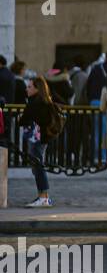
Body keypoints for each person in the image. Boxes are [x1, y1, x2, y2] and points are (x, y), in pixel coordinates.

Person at [18, 75, 60, 207]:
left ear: (37, 89)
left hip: (36, 139)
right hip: (42, 138)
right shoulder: (45, 101)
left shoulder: (34, 103)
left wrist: (23, 116)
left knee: (38, 167)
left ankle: (43, 197)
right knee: (37, 166)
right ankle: (44, 196)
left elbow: (23, 120)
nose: (27, 89)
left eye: (29, 87)